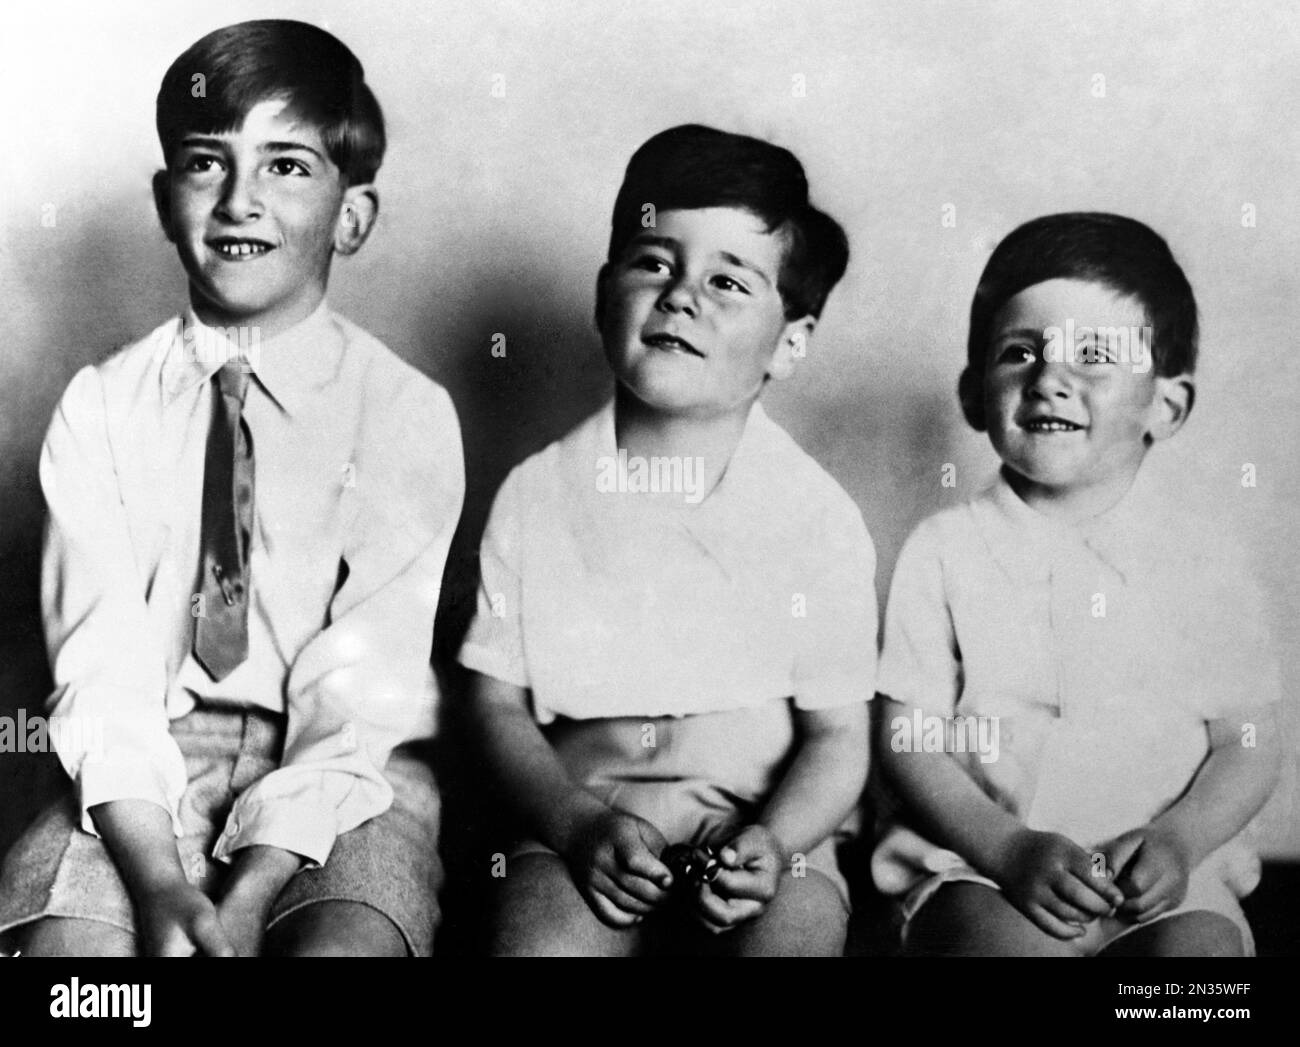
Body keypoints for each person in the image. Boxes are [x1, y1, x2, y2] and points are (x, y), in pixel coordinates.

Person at [0, 19, 464, 957]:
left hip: (344, 763)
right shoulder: (100, 408)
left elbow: (359, 701)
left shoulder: (404, 413)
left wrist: (249, 894)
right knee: (71, 968)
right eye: (209, 163)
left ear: (354, 215)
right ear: (167, 199)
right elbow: (105, 675)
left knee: (343, 949)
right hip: (142, 767)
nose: (240, 202)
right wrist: (163, 881)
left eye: (287, 167)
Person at [459, 124, 877, 956]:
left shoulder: (815, 516)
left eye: (728, 281)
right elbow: (494, 703)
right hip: (585, 821)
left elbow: (839, 737)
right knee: (536, 945)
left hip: (761, 827)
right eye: (654, 262)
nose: (682, 295)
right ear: (602, 291)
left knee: (793, 936)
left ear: (790, 342)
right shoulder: (539, 494)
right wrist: (574, 824)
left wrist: (777, 845)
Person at [872, 212, 1281, 956]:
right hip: (986, 869)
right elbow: (908, 737)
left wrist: (1180, 842)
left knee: (1201, 979)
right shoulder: (944, 550)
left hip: (1161, 878)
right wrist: (1006, 849)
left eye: (1095, 355)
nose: (1049, 379)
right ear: (974, 395)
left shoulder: (1203, 561)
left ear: (1167, 404)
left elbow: (1246, 742)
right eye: (1019, 351)